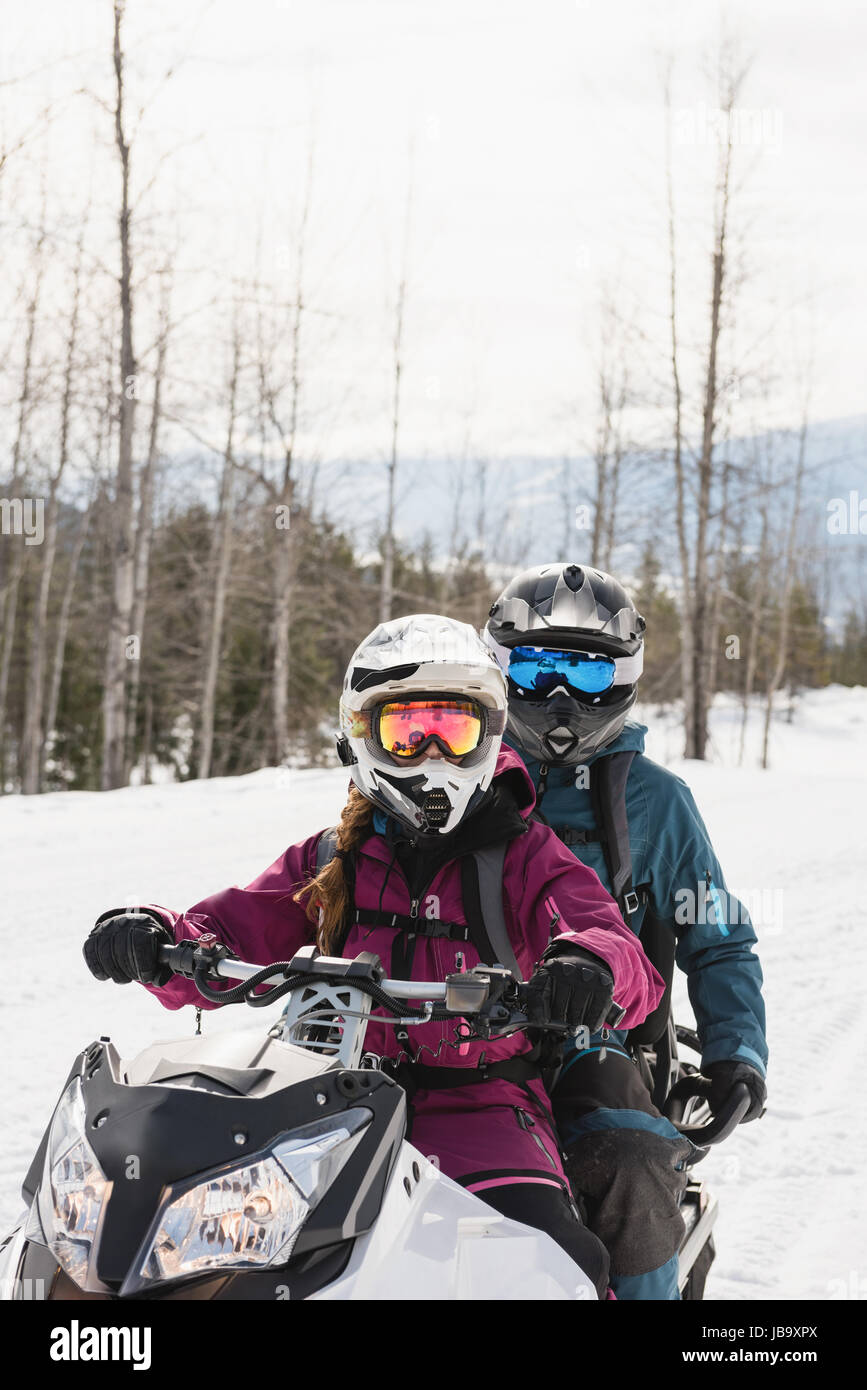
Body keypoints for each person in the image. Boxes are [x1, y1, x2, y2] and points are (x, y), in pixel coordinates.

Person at [83, 612, 664, 1299]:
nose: (430, 756)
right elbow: (231, 928)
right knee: (215, 1247)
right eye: (406, 731)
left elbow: (608, 938)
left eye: (453, 731)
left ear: (491, 734)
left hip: (478, 1101)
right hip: (324, 1094)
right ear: (363, 735)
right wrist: (151, 937)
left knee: (548, 1258)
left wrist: (587, 968)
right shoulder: (335, 856)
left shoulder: (525, 854)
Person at [484, 564, 768, 1300]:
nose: (556, 696)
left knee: (631, 1158)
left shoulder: (655, 803)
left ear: (622, 677)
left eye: (582, 671)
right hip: (442, 1030)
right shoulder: (453, 769)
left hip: (593, 1042)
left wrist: (737, 1054)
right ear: (498, 669)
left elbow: (717, 938)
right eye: (535, 666)